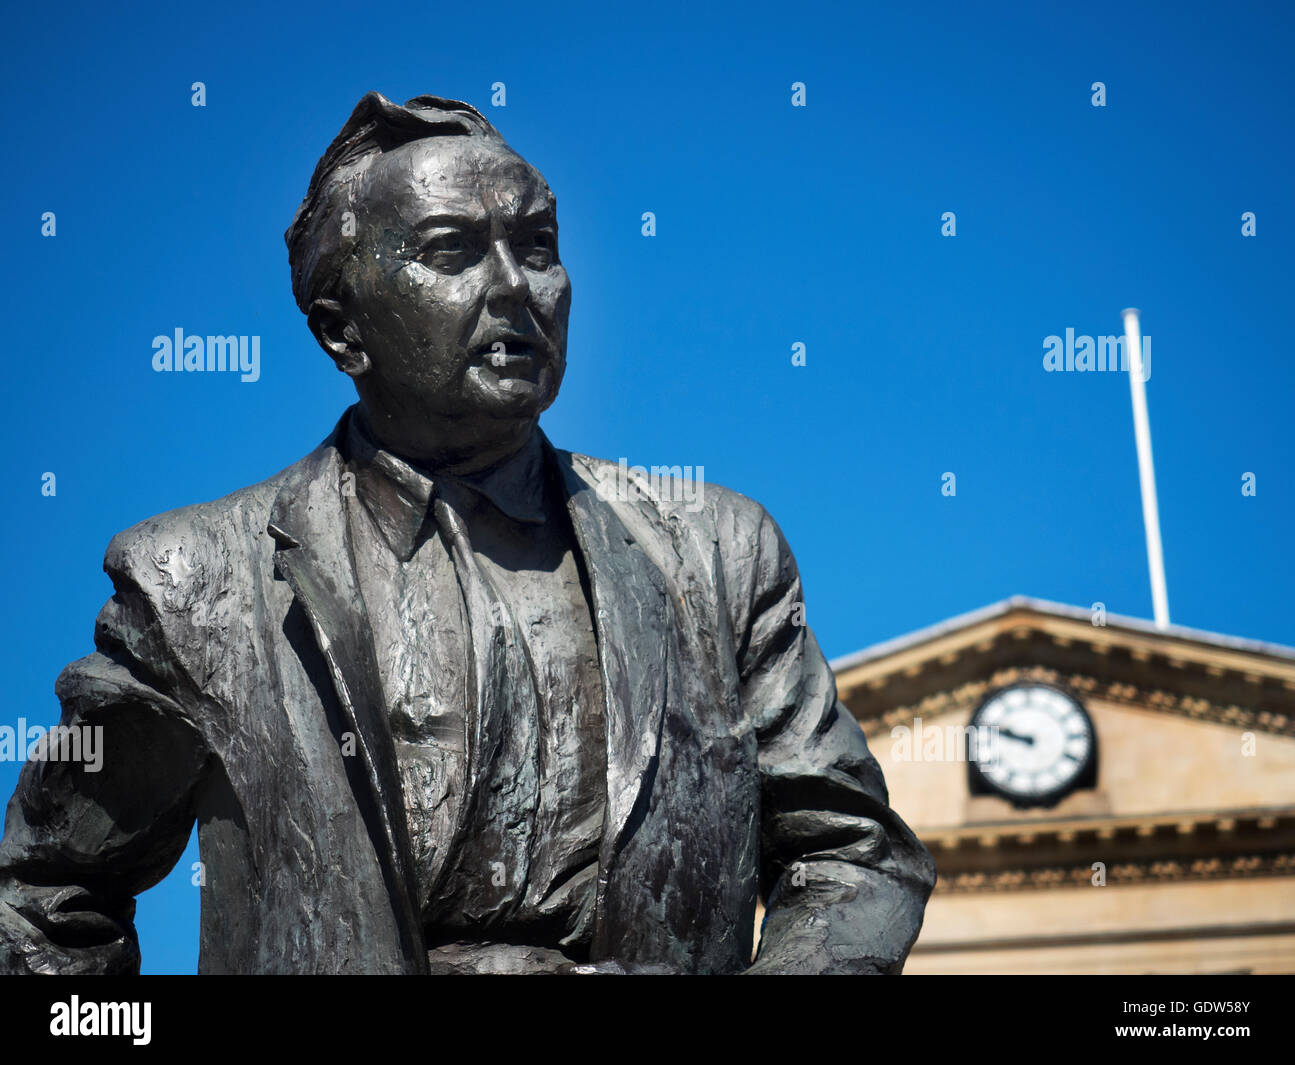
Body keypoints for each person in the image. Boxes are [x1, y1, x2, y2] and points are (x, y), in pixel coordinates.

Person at [0, 92, 934, 974]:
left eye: (537, 245)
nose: (515, 286)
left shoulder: (720, 551)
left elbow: (849, 857)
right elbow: (46, 896)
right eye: (453, 251)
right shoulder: (194, 580)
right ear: (342, 329)